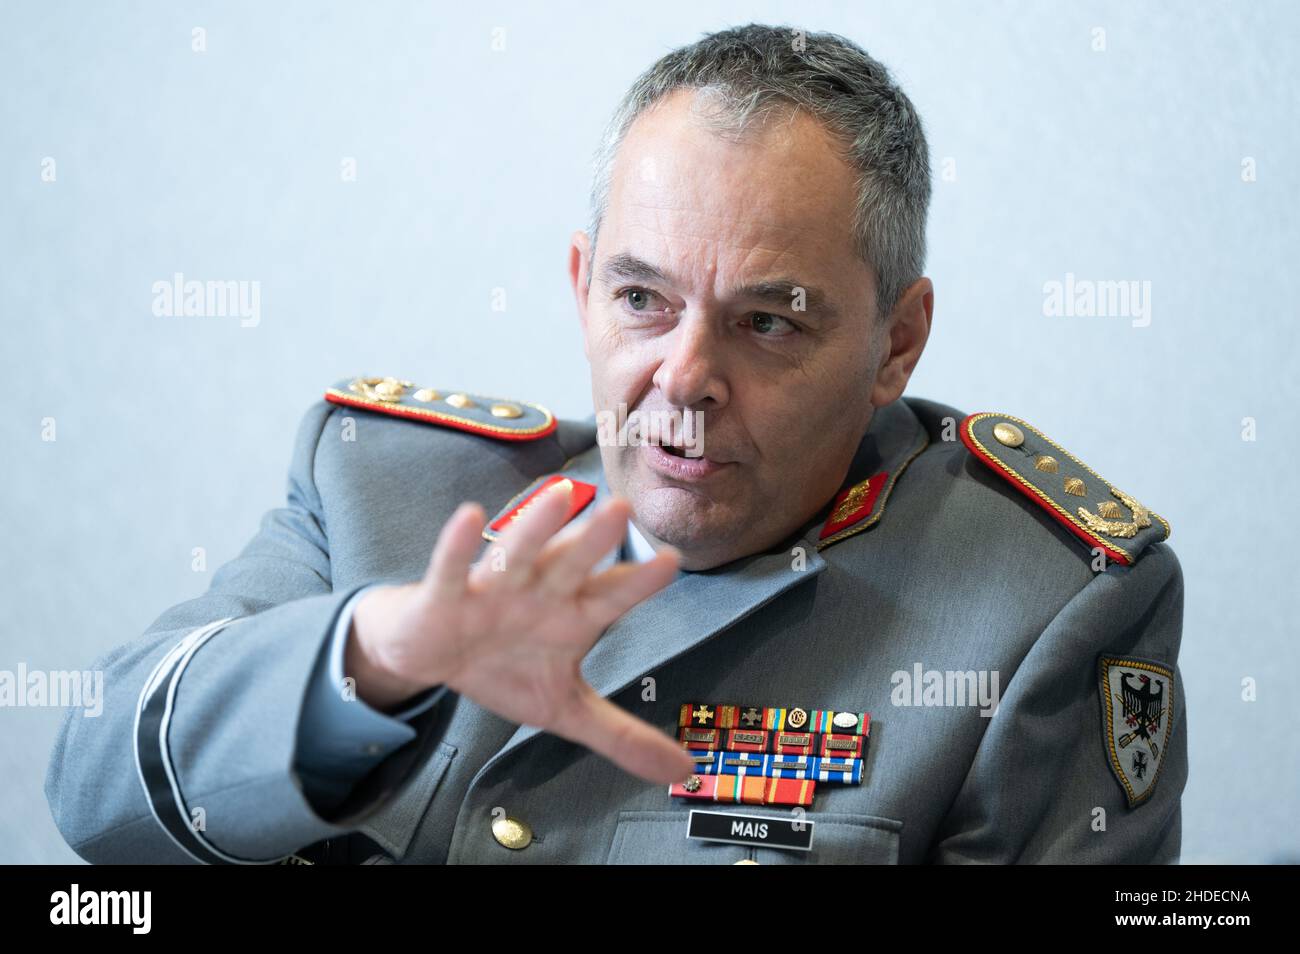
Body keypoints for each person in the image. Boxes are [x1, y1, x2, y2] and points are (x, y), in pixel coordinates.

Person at [45, 23, 1185, 864]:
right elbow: (93, 794)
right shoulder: (378, 487)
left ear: (897, 342)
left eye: (768, 321)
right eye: (642, 300)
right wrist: (378, 659)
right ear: (584, 286)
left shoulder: (1040, 603)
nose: (682, 375)